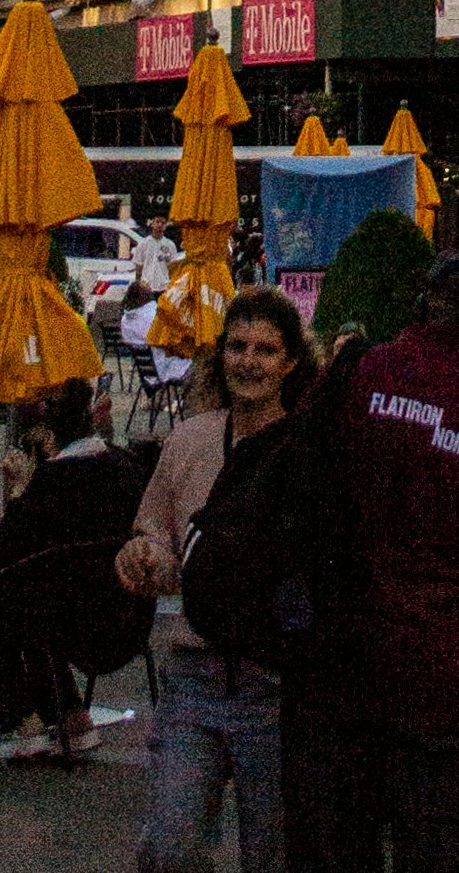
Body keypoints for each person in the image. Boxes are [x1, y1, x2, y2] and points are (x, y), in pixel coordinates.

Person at [281, 245, 459, 873]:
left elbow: (306, 492)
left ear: (426, 302)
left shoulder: (362, 376)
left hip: (349, 670)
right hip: (454, 687)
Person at [112, 290, 315, 862]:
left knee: (271, 855)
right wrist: (142, 556)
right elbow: (155, 534)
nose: (249, 361)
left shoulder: (305, 451)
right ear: (220, 356)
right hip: (192, 680)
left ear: (291, 362)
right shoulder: (189, 441)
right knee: (171, 846)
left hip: (273, 688)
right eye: (237, 346)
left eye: (266, 350)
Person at [0, 375, 150, 768]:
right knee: (33, 596)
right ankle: (71, 715)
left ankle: (23, 721)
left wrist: (17, 492)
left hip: (68, 621)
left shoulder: (51, 480)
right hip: (126, 613)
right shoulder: (123, 465)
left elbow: (10, 553)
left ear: (49, 431)